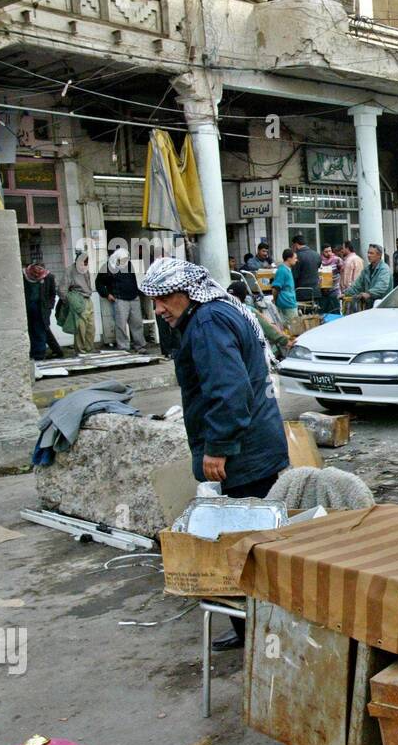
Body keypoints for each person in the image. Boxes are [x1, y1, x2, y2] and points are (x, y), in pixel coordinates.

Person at [140, 258, 289, 650]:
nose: (158, 309)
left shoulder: (207, 322)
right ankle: (254, 630)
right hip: (256, 444)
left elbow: (228, 390)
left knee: (244, 545)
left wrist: (218, 449)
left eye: (162, 299)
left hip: (244, 451)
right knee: (253, 540)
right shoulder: (216, 313)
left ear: (187, 292)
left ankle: (259, 633)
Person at [228, 281, 292, 361]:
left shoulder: (220, 309)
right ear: (243, 296)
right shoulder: (248, 310)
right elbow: (268, 328)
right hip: (246, 354)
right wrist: (285, 341)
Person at [107, 244, 146, 352]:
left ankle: (140, 346)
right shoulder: (110, 268)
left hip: (134, 297)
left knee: (137, 323)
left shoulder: (131, 265)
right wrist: (107, 294)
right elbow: (100, 282)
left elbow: (138, 279)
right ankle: (123, 347)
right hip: (120, 299)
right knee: (121, 325)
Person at [58, 251, 96, 354]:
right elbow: (62, 290)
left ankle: (90, 348)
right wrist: (70, 302)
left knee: (91, 326)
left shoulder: (85, 269)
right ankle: (80, 350)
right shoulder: (70, 270)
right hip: (77, 298)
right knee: (81, 327)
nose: (85, 264)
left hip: (88, 298)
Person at [23, 263, 63, 360]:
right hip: (28, 308)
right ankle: (37, 352)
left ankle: (39, 354)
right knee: (32, 330)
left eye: (39, 272)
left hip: (42, 309)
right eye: (34, 272)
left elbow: (52, 294)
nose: (36, 275)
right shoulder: (25, 276)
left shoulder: (48, 277)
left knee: (40, 331)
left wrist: (49, 307)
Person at [343, 243, 393, 311]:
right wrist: (345, 293)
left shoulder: (384, 269)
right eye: (368, 253)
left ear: (379, 255)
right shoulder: (367, 270)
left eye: (371, 253)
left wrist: (369, 294)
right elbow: (357, 285)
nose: (368, 255)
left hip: (382, 306)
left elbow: (382, 286)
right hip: (370, 307)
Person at [289, 234, 321, 305]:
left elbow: (294, 276)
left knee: (303, 315)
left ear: (296, 244)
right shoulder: (316, 254)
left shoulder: (296, 256)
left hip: (301, 293)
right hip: (315, 292)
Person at [272, 249, 298, 325]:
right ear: (289, 259)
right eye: (295, 258)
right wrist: (275, 299)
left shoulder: (287, 269)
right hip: (287, 303)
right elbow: (275, 288)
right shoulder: (282, 270)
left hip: (289, 301)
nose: (296, 260)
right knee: (293, 326)